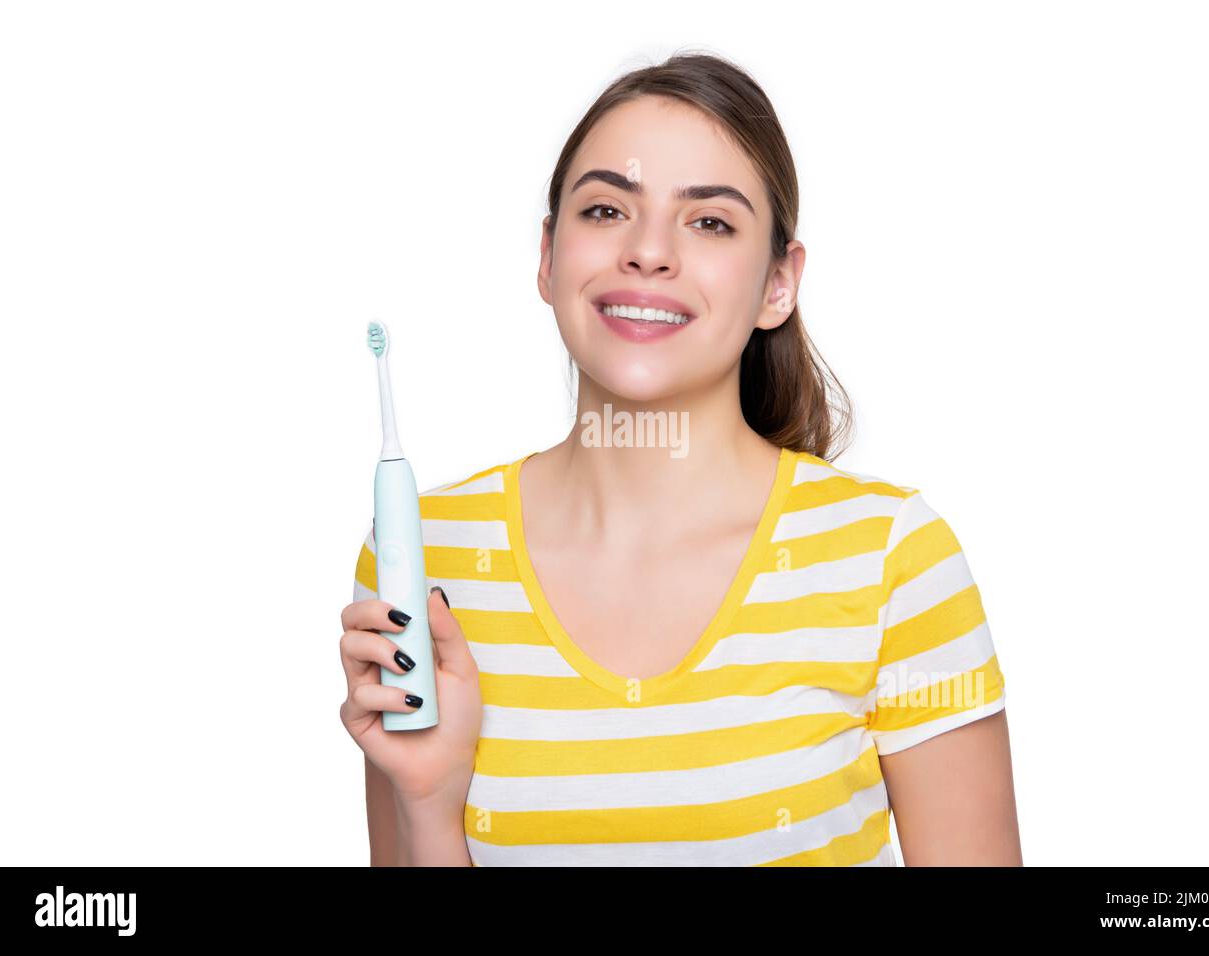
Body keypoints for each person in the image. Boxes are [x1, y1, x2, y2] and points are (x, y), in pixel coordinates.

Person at [339, 51, 1021, 866]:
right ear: (550, 257)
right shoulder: (420, 555)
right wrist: (426, 801)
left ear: (778, 284)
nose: (648, 251)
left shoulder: (892, 561)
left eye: (709, 223)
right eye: (605, 212)